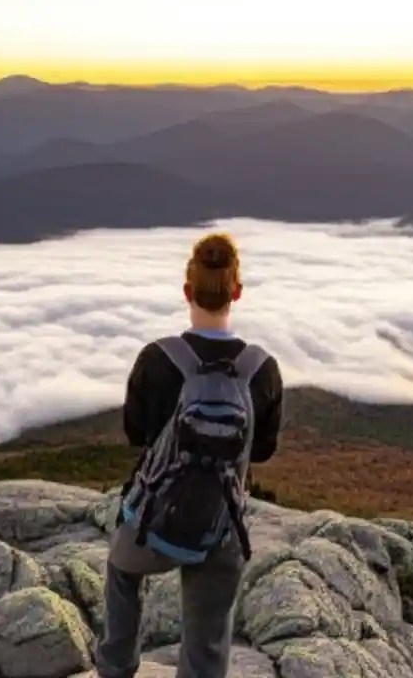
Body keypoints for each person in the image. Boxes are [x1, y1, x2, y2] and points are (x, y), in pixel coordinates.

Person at [95, 232, 284, 678]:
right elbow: (264, 450)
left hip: (152, 522)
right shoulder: (263, 370)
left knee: (121, 574)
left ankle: (116, 666)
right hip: (222, 529)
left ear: (187, 292)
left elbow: (135, 433)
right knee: (209, 638)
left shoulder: (157, 359)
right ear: (236, 292)